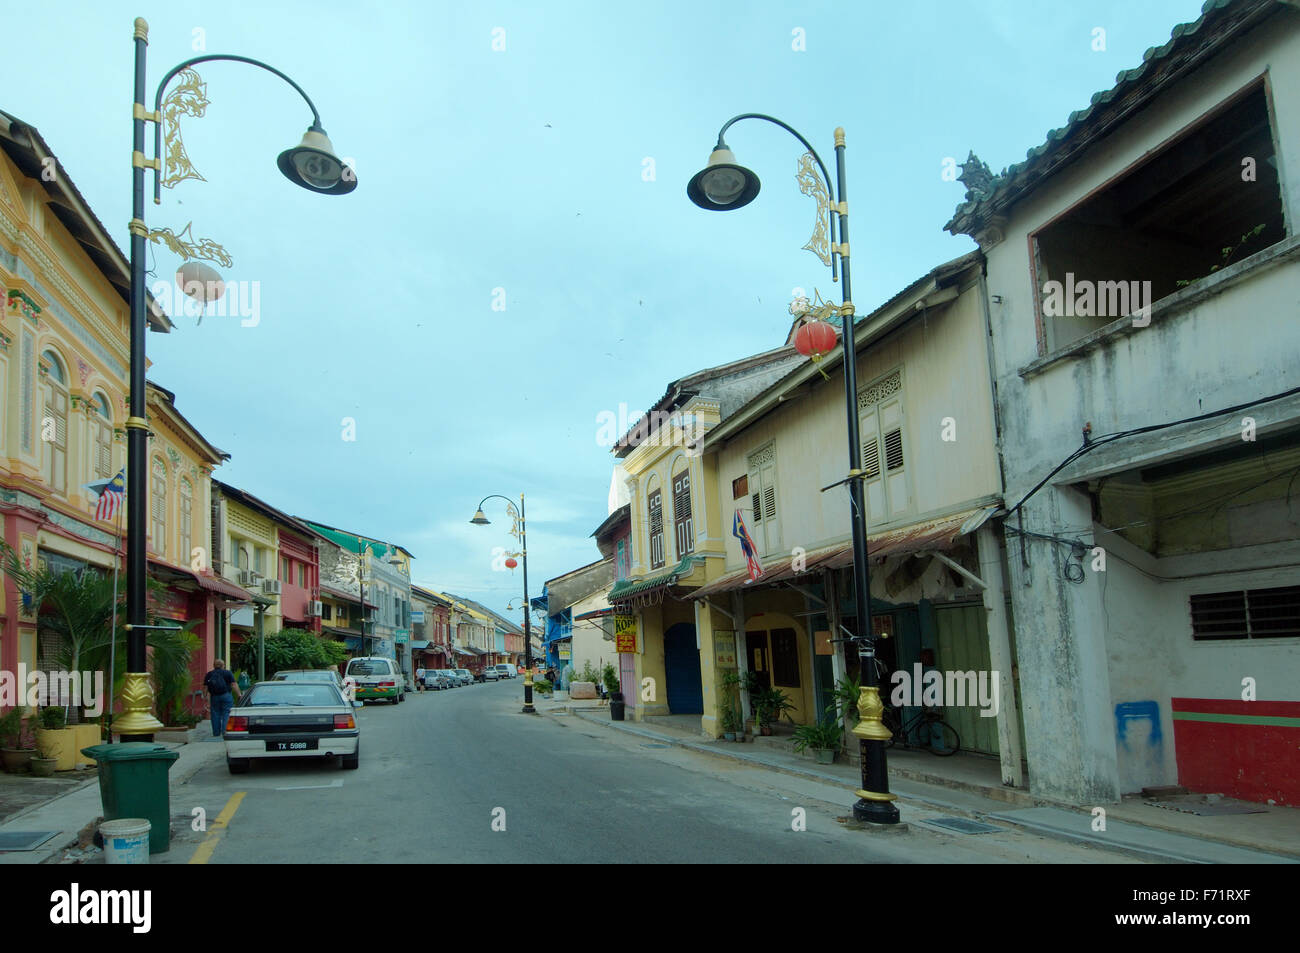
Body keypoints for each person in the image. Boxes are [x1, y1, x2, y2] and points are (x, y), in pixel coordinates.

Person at [203, 659, 239, 738]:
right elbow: (233, 684)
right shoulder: (227, 673)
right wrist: (239, 694)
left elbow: (206, 687)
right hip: (226, 695)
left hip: (214, 696)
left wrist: (205, 697)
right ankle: (225, 731)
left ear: (214, 666)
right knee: (227, 713)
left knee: (215, 714)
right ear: (223, 665)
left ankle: (216, 733)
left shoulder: (209, 674)